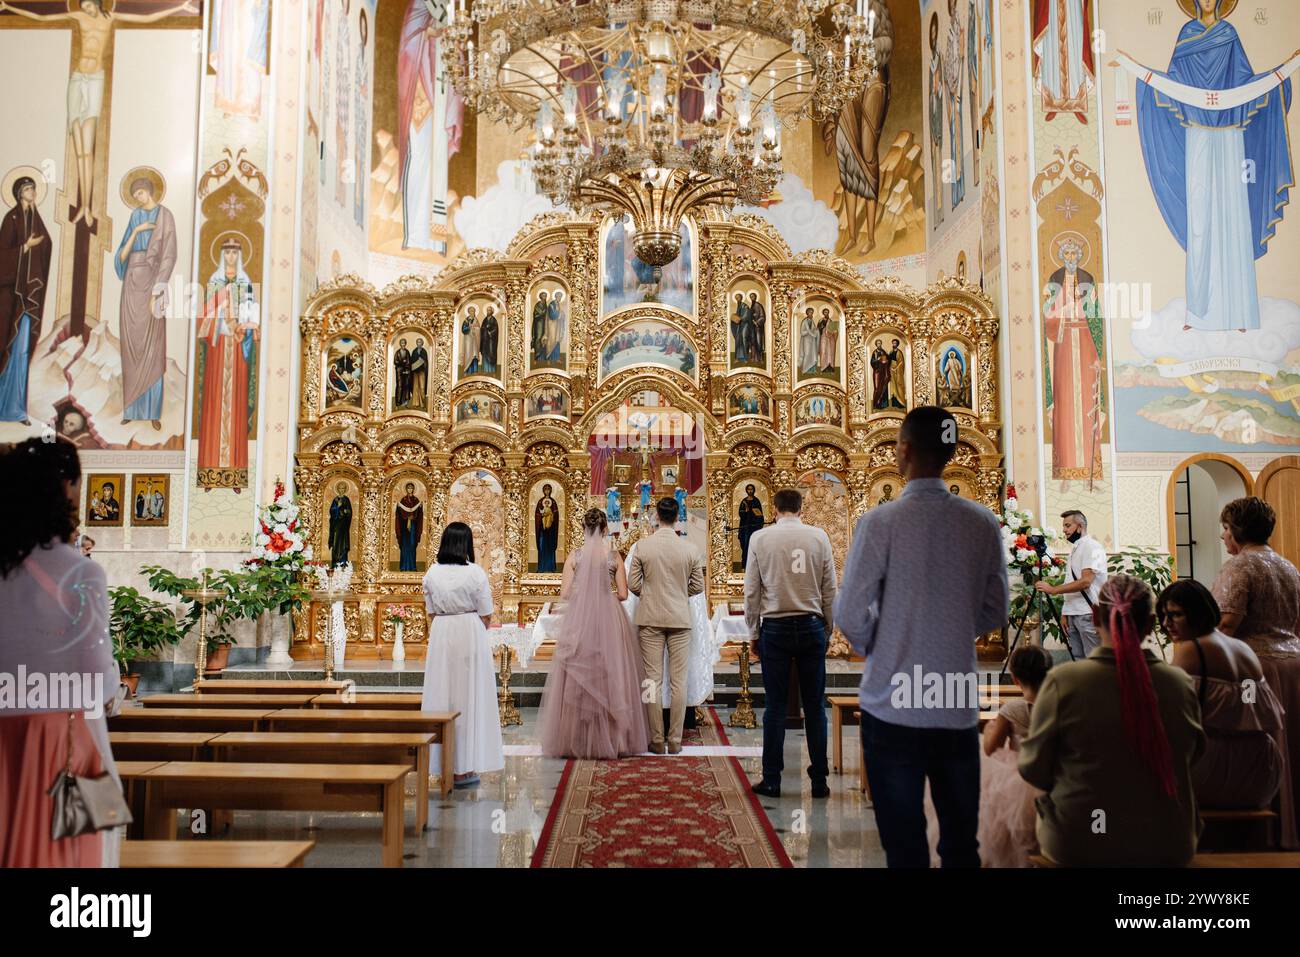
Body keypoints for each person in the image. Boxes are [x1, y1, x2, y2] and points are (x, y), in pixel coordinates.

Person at [835, 405, 1009, 867]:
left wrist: (885, 640)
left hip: (892, 705)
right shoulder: (982, 523)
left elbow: (849, 611)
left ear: (904, 450)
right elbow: (996, 609)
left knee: (904, 846)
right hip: (954, 706)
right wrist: (949, 627)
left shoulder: (880, 523)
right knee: (959, 846)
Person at [1019, 575, 1205, 866]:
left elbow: (1033, 769)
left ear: (1095, 615)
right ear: (1151, 621)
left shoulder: (1063, 681)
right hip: (1167, 841)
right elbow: (1192, 756)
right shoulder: (1179, 683)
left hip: (1081, 840)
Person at [0, 437, 122, 867]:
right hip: (56, 740)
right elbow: (97, 678)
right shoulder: (80, 570)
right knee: (65, 855)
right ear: (66, 491)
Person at [1210, 496, 1300, 847]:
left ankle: (1268, 830)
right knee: (1292, 744)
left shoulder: (1240, 567)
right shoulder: (1288, 566)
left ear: (1237, 531)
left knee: (1263, 749)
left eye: (1225, 528)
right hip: (1294, 666)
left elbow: (1228, 624)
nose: (1222, 536)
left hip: (1257, 670)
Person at [744, 488, 838, 798]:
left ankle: (772, 778)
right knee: (814, 706)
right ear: (800, 507)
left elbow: (752, 592)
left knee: (774, 706)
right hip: (811, 626)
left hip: (776, 627)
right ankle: (820, 781)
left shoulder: (760, 538)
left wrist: (753, 633)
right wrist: (827, 629)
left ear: (774, 508)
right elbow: (829, 588)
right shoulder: (819, 537)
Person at [1159, 579, 1283, 810]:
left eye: (1175, 615)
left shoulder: (1191, 649)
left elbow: (1170, 714)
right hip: (1262, 765)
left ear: (1197, 613)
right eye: (1164, 616)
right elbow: (1254, 713)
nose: (1167, 624)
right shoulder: (1242, 648)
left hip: (1218, 763)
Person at [924, 645, 1053, 867]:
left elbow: (990, 749)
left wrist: (992, 729)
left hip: (1016, 779)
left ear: (1014, 678)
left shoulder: (1012, 709)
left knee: (1000, 825)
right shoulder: (1055, 705)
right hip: (1048, 773)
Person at [537, 509, 649, 759]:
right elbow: (623, 594)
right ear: (606, 529)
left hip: (581, 616)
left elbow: (565, 593)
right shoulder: (613, 556)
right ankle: (615, 740)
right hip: (610, 616)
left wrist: (584, 593)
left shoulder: (574, 557)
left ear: (583, 529)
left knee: (580, 672)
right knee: (611, 672)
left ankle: (579, 737)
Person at [420, 522, 504, 789]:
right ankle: (464, 768)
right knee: (469, 698)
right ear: (466, 545)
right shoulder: (476, 573)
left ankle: (440, 764)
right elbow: (487, 612)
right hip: (470, 631)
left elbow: (430, 610)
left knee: (442, 696)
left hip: (442, 632)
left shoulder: (432, 573)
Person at [628, 497, 706, 754]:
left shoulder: (643, 546)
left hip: (650, 617)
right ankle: (675, 740)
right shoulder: (689, 549)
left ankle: (656, 739)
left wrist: (649, 594)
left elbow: (633, 584)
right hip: (680, 618)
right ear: (677, 518)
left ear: (656, 517)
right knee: (678, 681)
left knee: (652, 681)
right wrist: (679, 594)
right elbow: (697, 586)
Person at [1035, 509, 1106, 659]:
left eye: (1068, 526)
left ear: (1080, 526)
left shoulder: (1092, 547)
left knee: (1094, 661)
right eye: (1064, 526)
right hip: (1074, 613)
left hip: (1088, 613)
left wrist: (1053, 590)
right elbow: (1071, 581)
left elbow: (1086, 581)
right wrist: (1065, 613)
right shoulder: (1075, 549)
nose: (1064, 530)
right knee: (1078, 659)